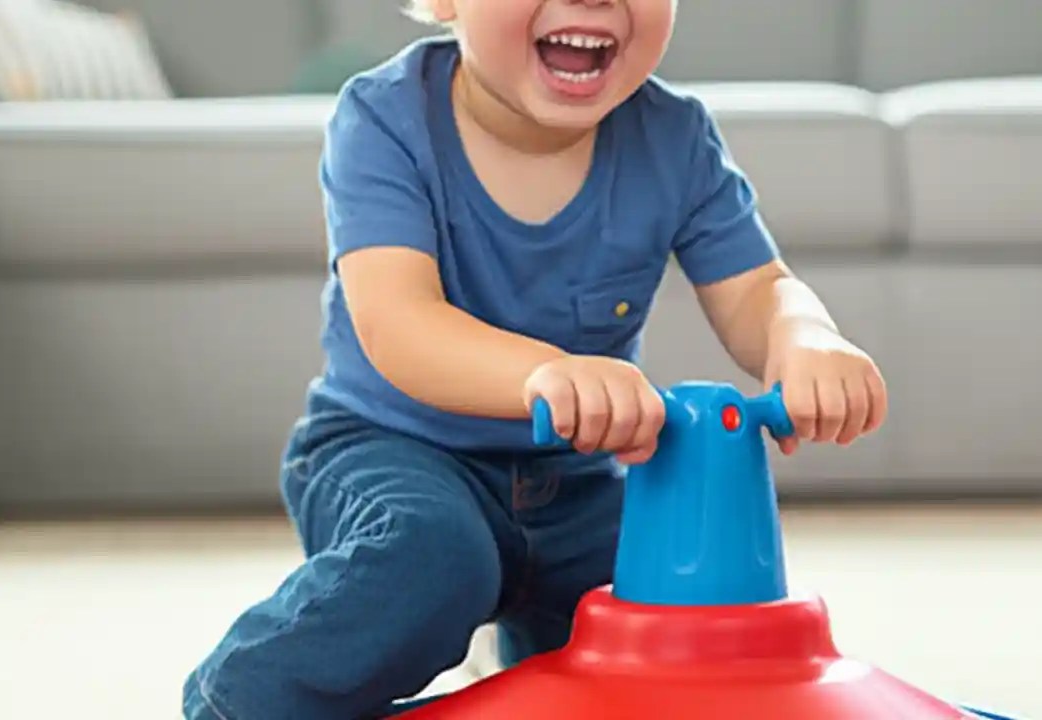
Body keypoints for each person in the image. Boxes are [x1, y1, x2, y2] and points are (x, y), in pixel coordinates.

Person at [183, 0, 888, 717]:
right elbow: (400, 324)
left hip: (574, 479)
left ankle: (529, 669)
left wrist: (805, 339)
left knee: (675, 606)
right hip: (391, 451)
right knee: (434, 558)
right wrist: (543, 372)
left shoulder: (674, 137)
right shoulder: (386, 119)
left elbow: (757, 292)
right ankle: (240, 696)